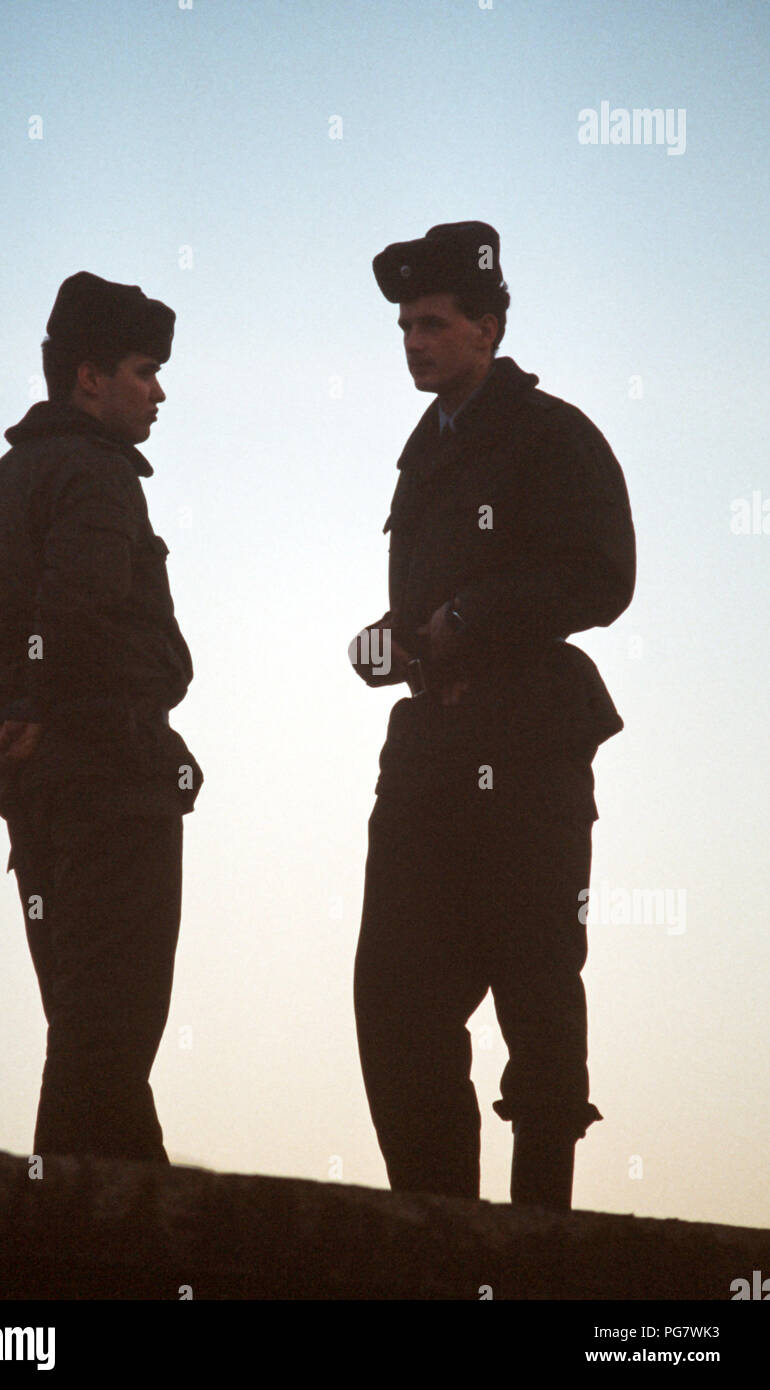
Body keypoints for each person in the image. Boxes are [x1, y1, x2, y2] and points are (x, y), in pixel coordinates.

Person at [349, 222, 635, 1208]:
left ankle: (536, 1235)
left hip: (526, 746)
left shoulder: (553, 435)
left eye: (432, 323)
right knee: (395, 996)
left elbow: (602, 575)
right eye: (403, 325)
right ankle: (439, 1224)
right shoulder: (416, 461)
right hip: (429, 752)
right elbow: (430, 605)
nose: (413, 341)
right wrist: (392, 642)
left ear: (487, 326)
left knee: (533, 984)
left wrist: (470, 616)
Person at [0, 271, 203, 1163]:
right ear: (90, 377)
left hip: (40, 804)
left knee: (92, 1037)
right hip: (113, 788)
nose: (159, 391)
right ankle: (53, 1252)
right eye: (145, 370)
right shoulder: (96, 471)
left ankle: (135, 1254)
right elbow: (79, 604)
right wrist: (33, 702)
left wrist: (7, 710)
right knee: (102, 1045)